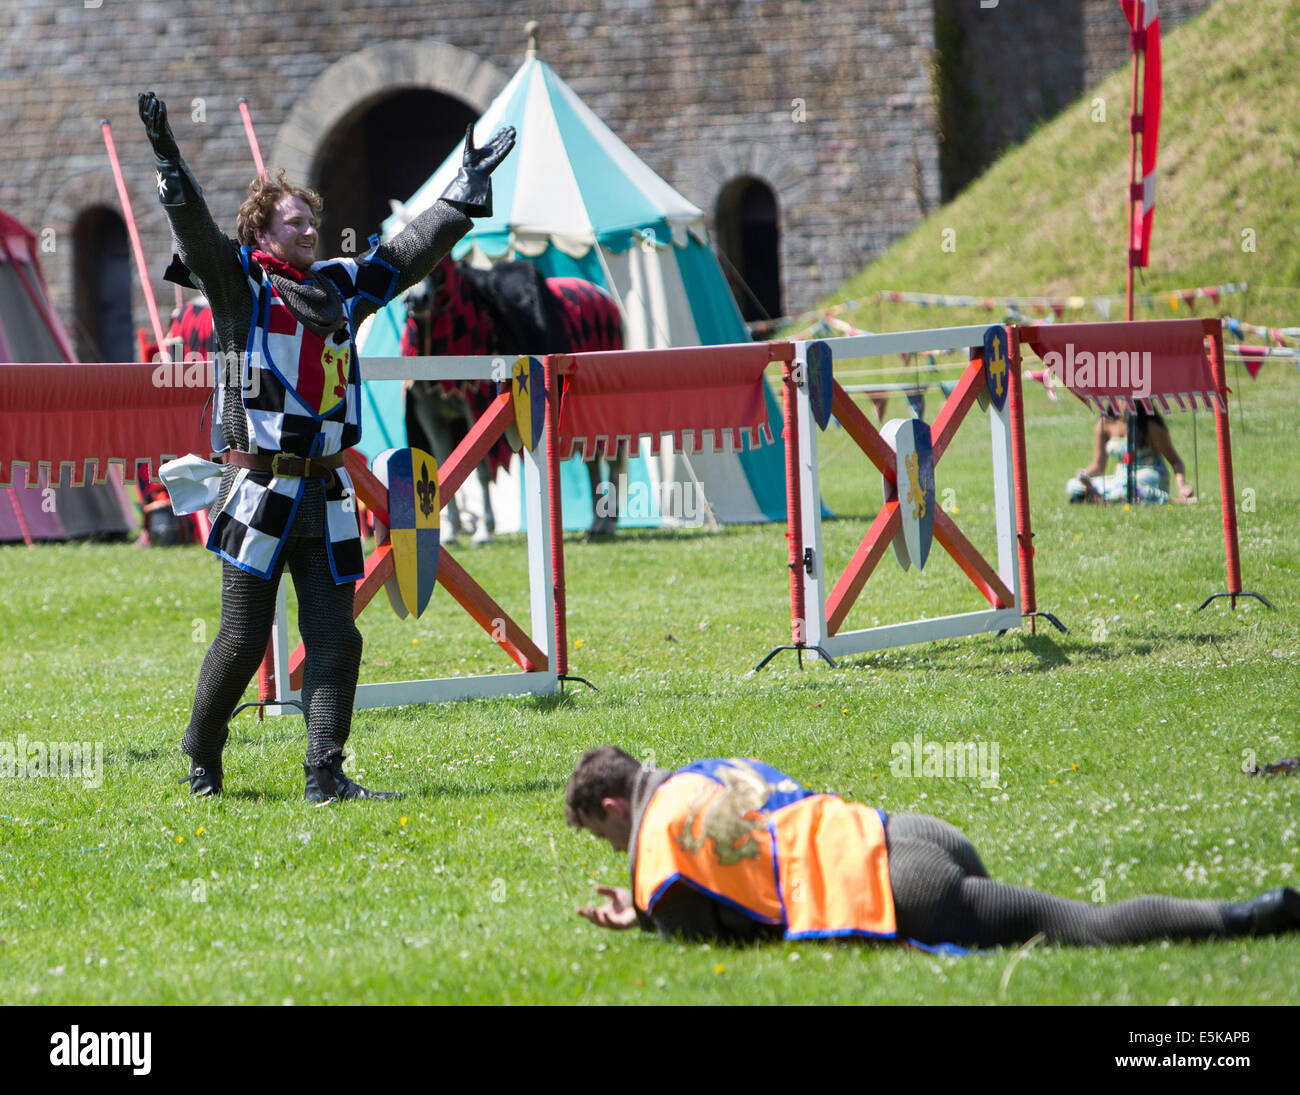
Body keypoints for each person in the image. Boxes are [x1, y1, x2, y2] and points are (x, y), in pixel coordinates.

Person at [138, 91, 515, 801]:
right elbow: (195, 233)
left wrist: (459, 199)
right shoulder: (240, 286)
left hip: (328, 489)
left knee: (338, 639)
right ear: (263, 231)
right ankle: (202, 756)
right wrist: (170, 164)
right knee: (243, 639)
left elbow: (402, 257)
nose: (311, 228)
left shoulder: (339, 285)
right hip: (258, 491)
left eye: (313, 218)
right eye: (295, 220)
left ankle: (325, 773)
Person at [565, 746, 1300, 946]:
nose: (613, 848)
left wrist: (647, 916)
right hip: (904, 828)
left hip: (890, 884)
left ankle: (1245, 915)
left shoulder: (657, 849)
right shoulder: (704, 770)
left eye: (604, 835)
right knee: (1023, 921)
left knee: (1076, 924)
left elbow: (699, 934)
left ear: (610, 805)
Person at [1067, 409, 1196, 504]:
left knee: (1128, 488)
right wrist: (1084, 476)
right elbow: (1098, 466)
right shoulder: (1105, 422)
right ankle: (1106, 499)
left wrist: (1182, 486)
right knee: (1073, 485)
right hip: (1121, 477)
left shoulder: (1149, 426)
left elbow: (1175, 461)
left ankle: (1175, 501)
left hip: (1149, 473)